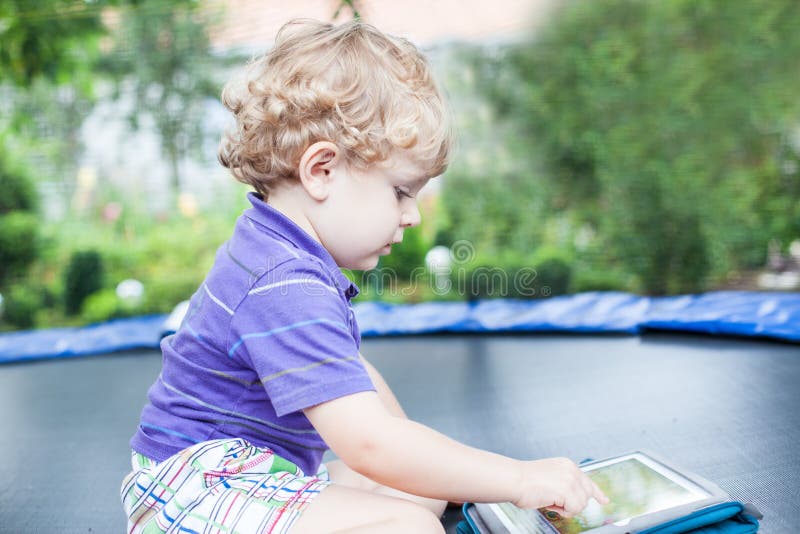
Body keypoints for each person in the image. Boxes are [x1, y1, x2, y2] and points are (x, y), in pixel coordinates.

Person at [120, 18, 608, 534]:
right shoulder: (284, 283)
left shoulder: (280, 249)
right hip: (197, 492)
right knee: (410, 527)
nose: (412, 215)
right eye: (401, 191)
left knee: (420, 491)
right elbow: (371, 444)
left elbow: (356, 382)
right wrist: (518, 478)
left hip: (249, 475)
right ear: (322, 171)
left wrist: (444, 469)